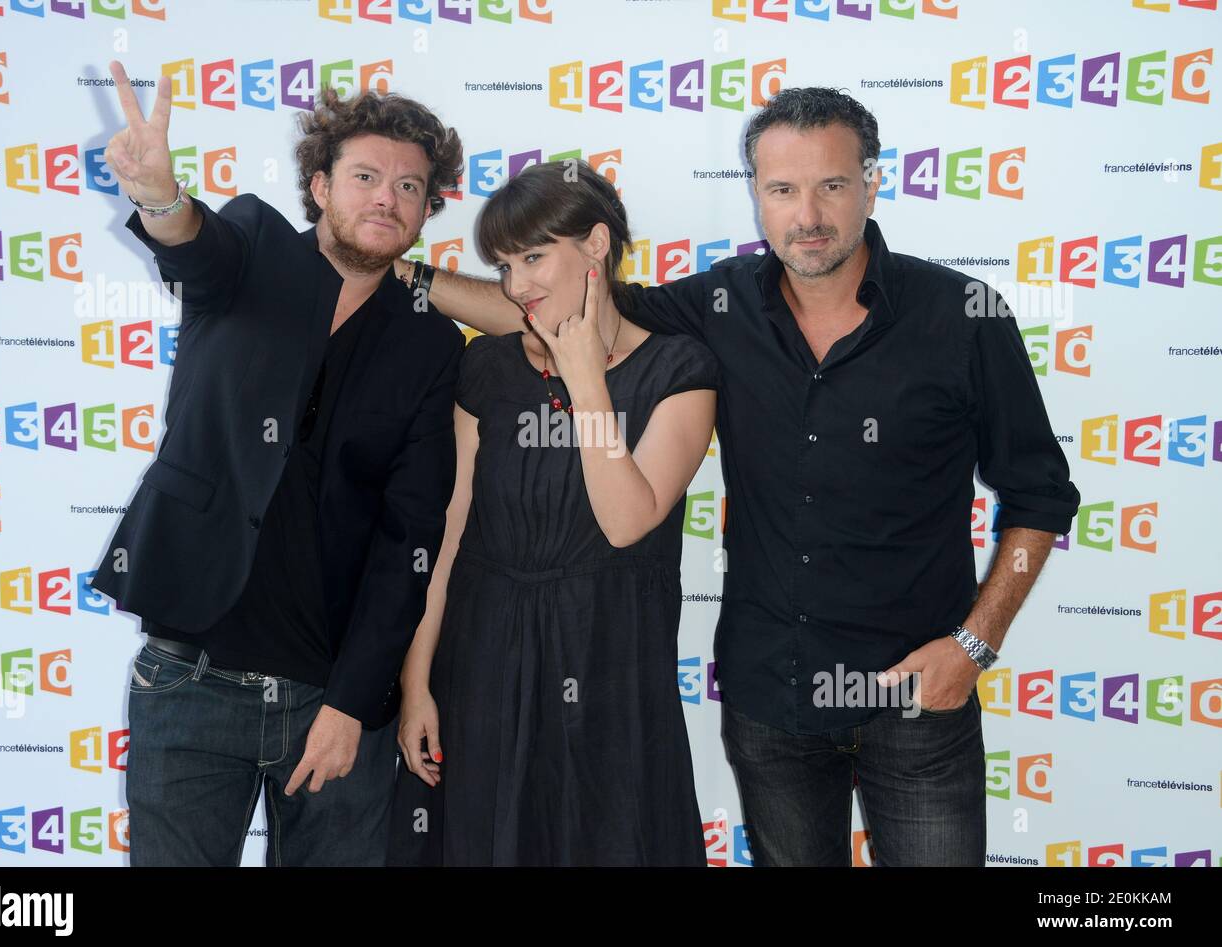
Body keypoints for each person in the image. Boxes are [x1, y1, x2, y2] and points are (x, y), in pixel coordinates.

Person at [390, 89, 1080, 866]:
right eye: (783, 189)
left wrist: (974, 646)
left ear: (874, 183)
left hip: (917, 696)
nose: (808, 213)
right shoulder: (720, 305)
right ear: (756, 194)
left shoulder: (961, 315)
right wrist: (395, 267)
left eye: (832, 185)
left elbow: (1040, 497)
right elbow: (563, 311)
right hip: (770, 701)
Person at [90, 61, 465, 865]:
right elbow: (195, 247)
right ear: (321, 184)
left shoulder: (431, 342)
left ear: (428, 210)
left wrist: (354, 705)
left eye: (409, 188)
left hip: (331, 698)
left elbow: (411, 538)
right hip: (188, 679)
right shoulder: (253, 248)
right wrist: (161, 196)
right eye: (365, 176)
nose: (386, 199)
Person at [387, 160, 719, 865]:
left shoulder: (679, 371)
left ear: (596, 244)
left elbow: (628, 521)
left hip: (611, 672)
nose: (518, 284)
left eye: (535, 257)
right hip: (482, 667)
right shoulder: (489, 370)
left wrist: (587, 384)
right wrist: (417, 683)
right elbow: (446, 540)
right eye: (505, 266)